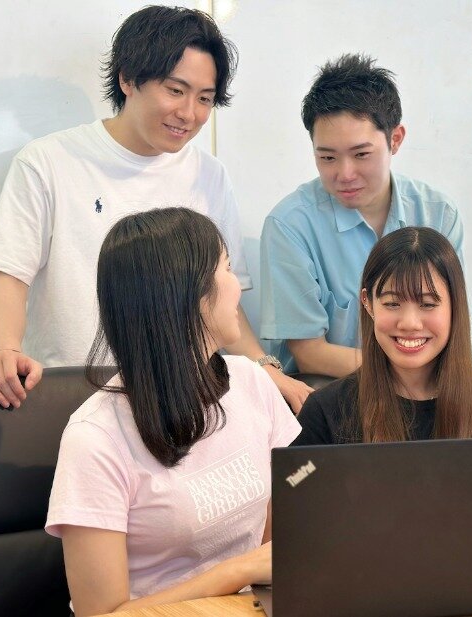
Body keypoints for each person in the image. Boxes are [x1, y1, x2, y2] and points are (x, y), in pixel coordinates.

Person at [0, 5, 312, 412]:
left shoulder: (209, 174)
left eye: (204, 98)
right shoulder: (50, 161)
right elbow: (8, 276)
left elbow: (223, 296)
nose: (189, 113)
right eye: (175, 90)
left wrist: (263, 367)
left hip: (182, 400)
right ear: (128, 79)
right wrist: (5, 350)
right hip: (75, 395)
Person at [45, 208, 301, 615]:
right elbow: (101, 613)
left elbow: (278, 540)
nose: (238, 286)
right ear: (189, 294)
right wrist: (237, 571)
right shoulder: (94, 439)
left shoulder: (251, 381)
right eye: (227, 268)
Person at [292, 227, 472, 499]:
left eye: (427, 304)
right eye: (392, 303)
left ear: (455, 304)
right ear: (368, 303)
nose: (409, 323)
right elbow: (297, 505)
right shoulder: (325, 411)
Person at [260, 54, 464, 378]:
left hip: (423, 389)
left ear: (395, 139)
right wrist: (404, 372)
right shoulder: (290, 225)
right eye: (328, 157)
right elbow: (310, 354)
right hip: (328, 395)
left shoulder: (438, 215)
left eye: (361, 154)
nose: (345, 174)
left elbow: (450, 326)